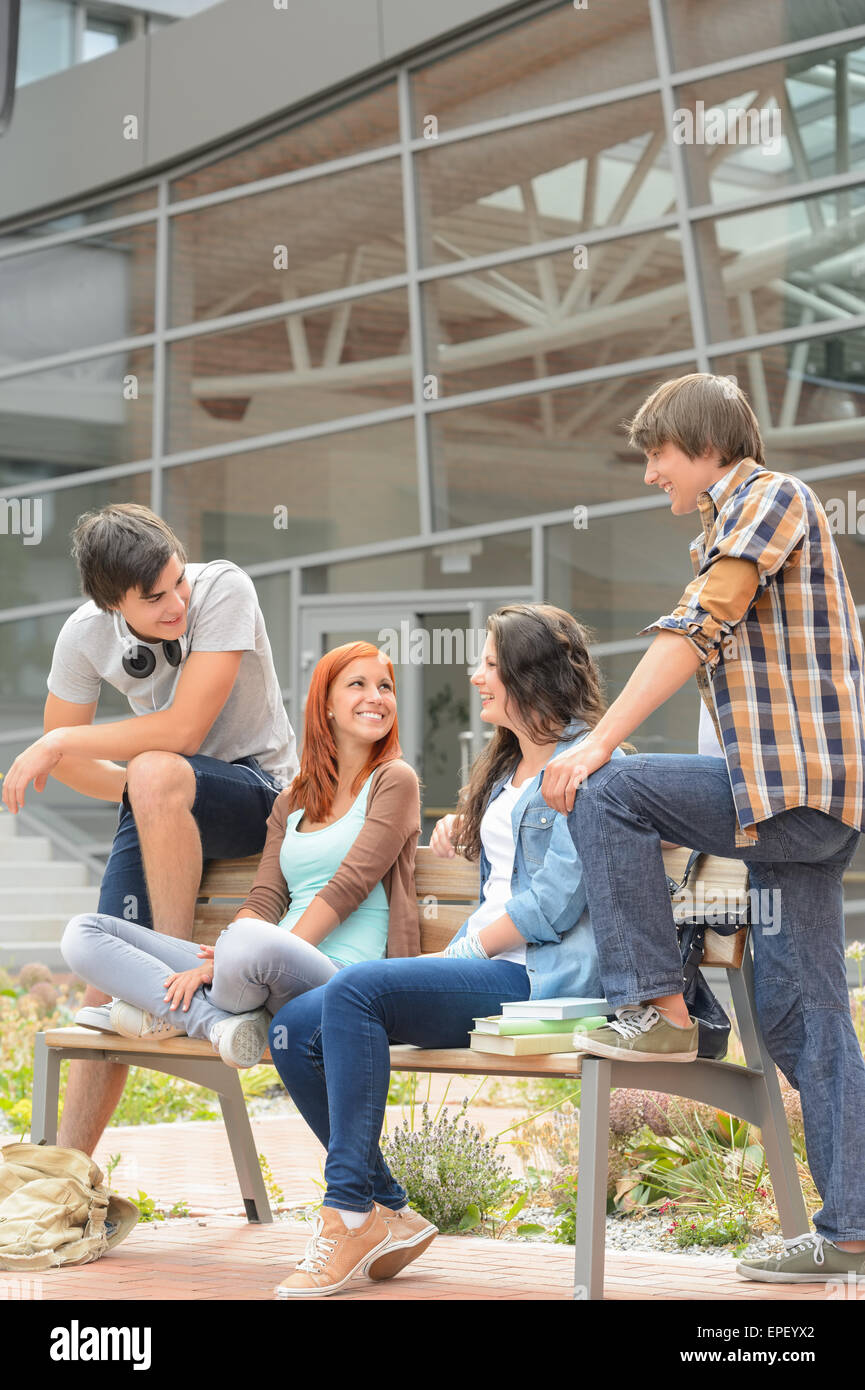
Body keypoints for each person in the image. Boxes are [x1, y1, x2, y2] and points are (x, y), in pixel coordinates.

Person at [541, 372, 865, 1284]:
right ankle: (849, 1229)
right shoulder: (742, 518)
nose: (650, 473)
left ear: (705, 445)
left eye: (658, 453)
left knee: (609, 790)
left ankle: (658, 1010)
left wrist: (595, 745)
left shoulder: (767, 497)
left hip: (793, 795)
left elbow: (699, 627)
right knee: (806, 1023)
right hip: (799, 805)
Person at [266, 603, 620, 1298]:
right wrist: (470, 826)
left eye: (488, 663)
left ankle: (344, 1215)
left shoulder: (589, 767)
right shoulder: (509, 766)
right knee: (290, 1026)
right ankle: (386, 1210)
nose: (474, 674)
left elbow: (554, 902)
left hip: (539, 978)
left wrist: (463, 948)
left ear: (526, 674)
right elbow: (513, 866)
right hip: (487, 965)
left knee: (356, 990)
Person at [2, 504, 298, 1149]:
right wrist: (138, 786)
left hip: (258, 796)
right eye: (155, 598)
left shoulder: (225, 588)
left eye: (178, 581)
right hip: (166, 799)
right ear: (113, 604)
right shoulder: (84, 636)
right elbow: (80, 763)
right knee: (103, 981)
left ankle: (175, 1004)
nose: (177, 604)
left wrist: (65, 743)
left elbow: (184, 731)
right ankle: (66, 1178)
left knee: (160, 765)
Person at [61, 642, 421, 1067]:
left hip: (342, 976)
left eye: (385, 686)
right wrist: (228, 954)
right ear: (325, 705)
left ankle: (177, 1011)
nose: (376, 697)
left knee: (247, 945)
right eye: (357, 684)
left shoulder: (395, 781)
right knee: (85, 933)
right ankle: (217, 1023)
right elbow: (265, 899)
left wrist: (236, 955)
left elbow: (349, 887)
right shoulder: (293, 799)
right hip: (263, 962)